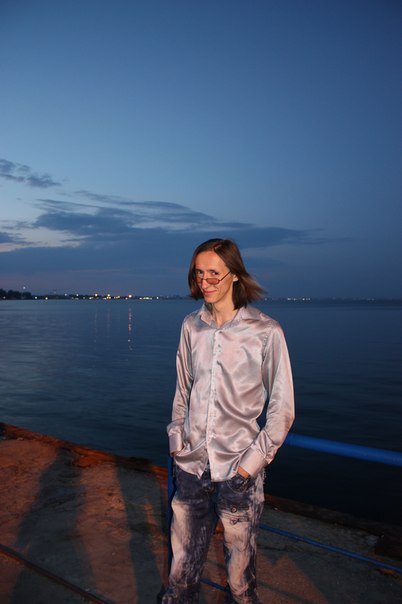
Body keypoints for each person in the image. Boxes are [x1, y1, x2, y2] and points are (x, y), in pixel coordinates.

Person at [162, 238, 295, 604]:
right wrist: (177, 443)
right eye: (198, 273)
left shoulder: (266, 332)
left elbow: (282, 409)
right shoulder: (191, 326)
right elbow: (182, 390)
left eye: (214, 274)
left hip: (239, 470)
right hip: (191, 466)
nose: (204, 282)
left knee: (239, 581)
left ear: (235, 275)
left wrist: (249, 467)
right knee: (180, 575)